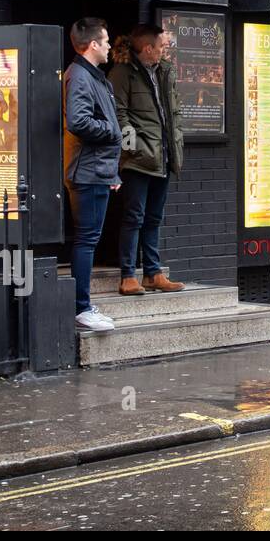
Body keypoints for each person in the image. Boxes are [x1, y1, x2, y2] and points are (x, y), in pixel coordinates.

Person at [107, 24, 185, 296]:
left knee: (154, 217)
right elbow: (119, 114)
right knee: (134, 217)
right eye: (162, 46)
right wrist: (135, 149)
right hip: (138, 160)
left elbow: (172, 112)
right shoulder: (122, 73)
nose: (165, 50)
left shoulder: (163, 71)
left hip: (162, 156)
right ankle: (128, 275)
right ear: (148, 48)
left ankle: (153, 272)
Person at [63, 18, 122, 333]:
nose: (111, 45)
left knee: (90, 240)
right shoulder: (81, 77)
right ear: (93, 44)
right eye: (106, 40)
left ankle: (84, 305)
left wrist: (112, 171)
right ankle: (81, 308)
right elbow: (79, 121)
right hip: (86, 173)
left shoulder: (95, 78)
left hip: (97, 171)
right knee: (86, 240)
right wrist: (113, 132)